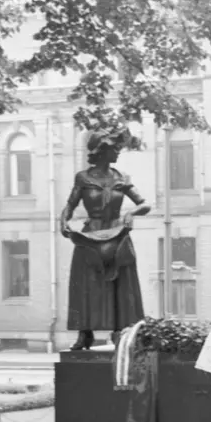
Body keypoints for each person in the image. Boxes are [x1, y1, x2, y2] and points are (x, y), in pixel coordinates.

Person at [59, 129, 151, 350]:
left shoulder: (122, 178)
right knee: (86, 285)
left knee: (120, 284)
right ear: (102, 151)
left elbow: (144, 204)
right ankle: (85, 333)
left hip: (117, 233)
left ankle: (120, 332)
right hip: (90, 236)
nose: (118, 152)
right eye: (114, 149)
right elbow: (70, 205)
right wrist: (63, 221)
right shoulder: (83, 177)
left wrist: (131, 214)